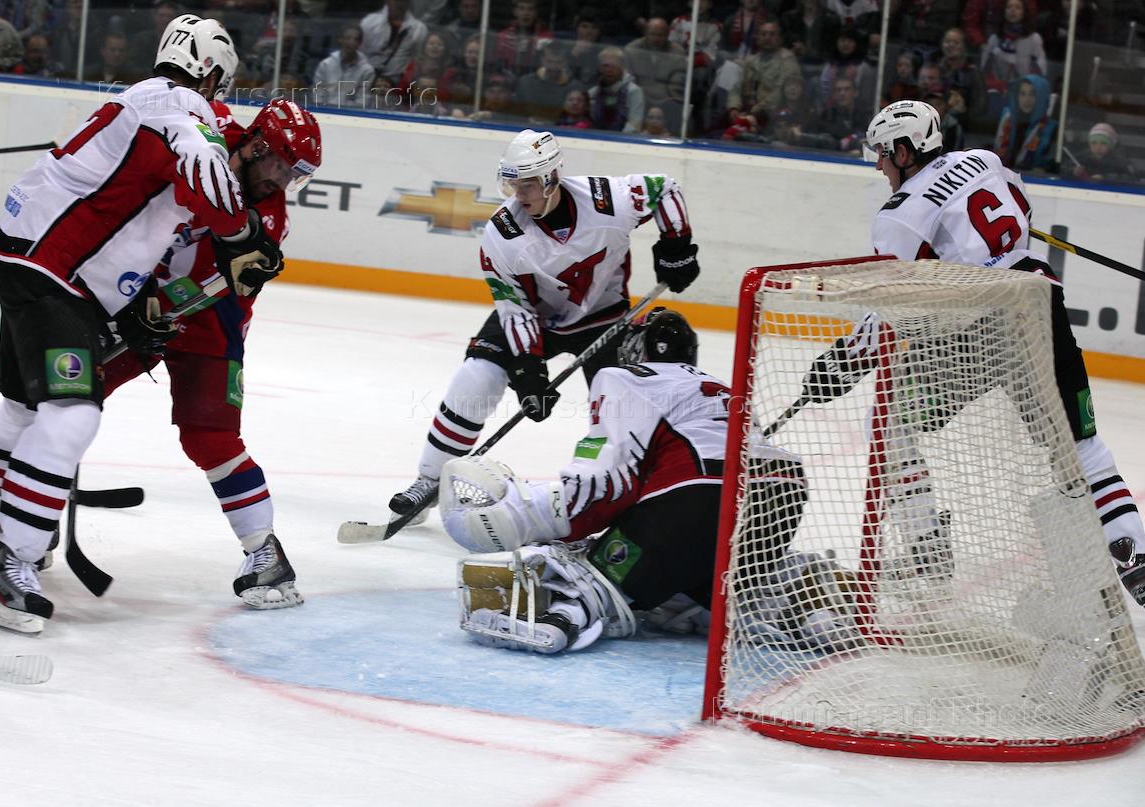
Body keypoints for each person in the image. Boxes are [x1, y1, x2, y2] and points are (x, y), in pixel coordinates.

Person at [0, 14, 281, 634]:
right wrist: (241, 234)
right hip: (52, 271)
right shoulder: (178, 111)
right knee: (72, 415)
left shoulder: (144, 100)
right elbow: (207, 173)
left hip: (35, 259)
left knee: (21, 409)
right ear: (211, 71)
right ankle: (12, 562)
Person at [851, 99, 1145, 624]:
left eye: (884, 155)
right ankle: (1135, 561)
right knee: (1080, 443)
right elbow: (1017, 212)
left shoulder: (900, 213)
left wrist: (842, 360)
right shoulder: (985, 160)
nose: (880, 166)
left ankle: (929, 550)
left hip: (976, 334)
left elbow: (892, 302)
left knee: (886, 422)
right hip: (1041, 307)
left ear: (906, 151)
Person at [439, 310, 819, 654]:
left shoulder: (623, 377)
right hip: (782, 497)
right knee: (690, 589)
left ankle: (559, 620)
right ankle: (808, 609)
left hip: (698, 500)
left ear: (633, 348)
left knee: (593, 579)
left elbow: (606, 482)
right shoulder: (721, 387)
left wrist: (529, 518)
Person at [387, 130, 701, 525]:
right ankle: (428, 481)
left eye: (529, 183)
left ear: (552, 176)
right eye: (512, 183)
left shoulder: (608, 200)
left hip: (604, 317)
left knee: (621, 406)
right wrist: (528, 369)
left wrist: (676, 247)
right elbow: (514, 307)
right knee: (476, 378)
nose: (520, 194)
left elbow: (664, 189)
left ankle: (627, 497)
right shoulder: (502, 233)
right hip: (534, 318)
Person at [101, 99, 321, 611]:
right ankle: (14, 507)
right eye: (281, 168)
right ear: (258, 144)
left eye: (294, 175)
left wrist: (158, 310)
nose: (282, 183)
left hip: (207, 319)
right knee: (69, 393)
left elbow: (222, 288)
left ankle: (264, 552)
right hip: (128, 290)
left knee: (211, 435)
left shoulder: (268, 218)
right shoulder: (209, 128)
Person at [992, 74, 1056, 172]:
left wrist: (1045, 170)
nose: (1027, 100)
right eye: (1022, 94)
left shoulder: (1051, 129)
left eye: (1032, 94)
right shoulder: (1007, 119)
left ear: (1042, 97)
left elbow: (1053, 164)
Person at [312, 23, 376, 109]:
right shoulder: (325, 65)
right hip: (324, 112)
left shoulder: (367, 70)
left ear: (360, 43)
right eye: (348, 38)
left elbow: (362, 100)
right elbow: (318, 94)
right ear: (340, 39)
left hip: (351, 115)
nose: (351, 42)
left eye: (356, 39)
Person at [1061, 122, 1137, 184]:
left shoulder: (1121, 162)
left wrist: (1105, 179)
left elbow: (1132, 178)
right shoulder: (1079, 159)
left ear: (1111, 145)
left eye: (1103, 143)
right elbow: (1061, 171)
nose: (1098, 147)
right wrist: (1073, 172)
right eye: (1094, 143)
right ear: (1089, 144)